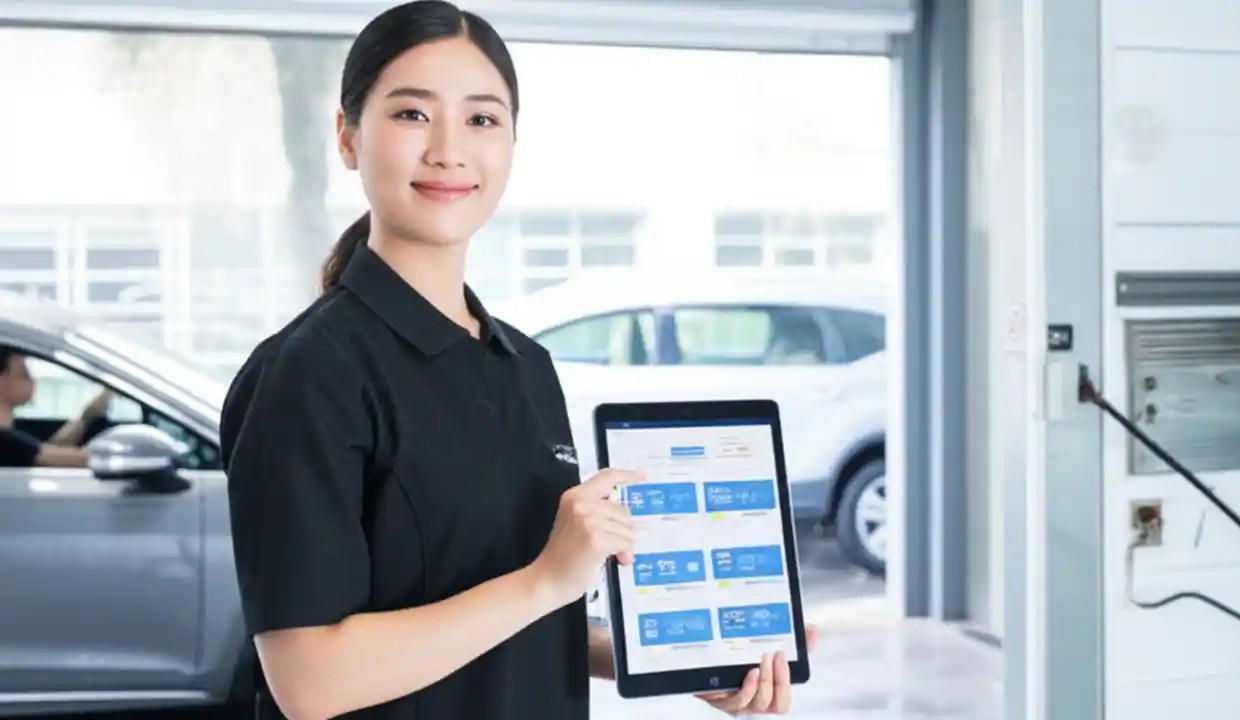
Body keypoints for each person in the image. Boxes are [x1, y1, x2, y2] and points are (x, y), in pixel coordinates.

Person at [220, 2, 815, 719]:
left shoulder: (524, 365)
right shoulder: (308, 374)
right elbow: (310, 682)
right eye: (412, 115)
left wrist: (668, 659)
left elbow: (522, 608)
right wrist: (545, 580)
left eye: (481, 119)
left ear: (510, 143)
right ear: (348, 137)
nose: (448, 150)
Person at [0, 344, 112, 468]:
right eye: (24, 374)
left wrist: (88, 415)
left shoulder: (10, 437)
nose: (33, 381)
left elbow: (52, 449)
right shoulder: (4, 439)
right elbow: (62, 457)